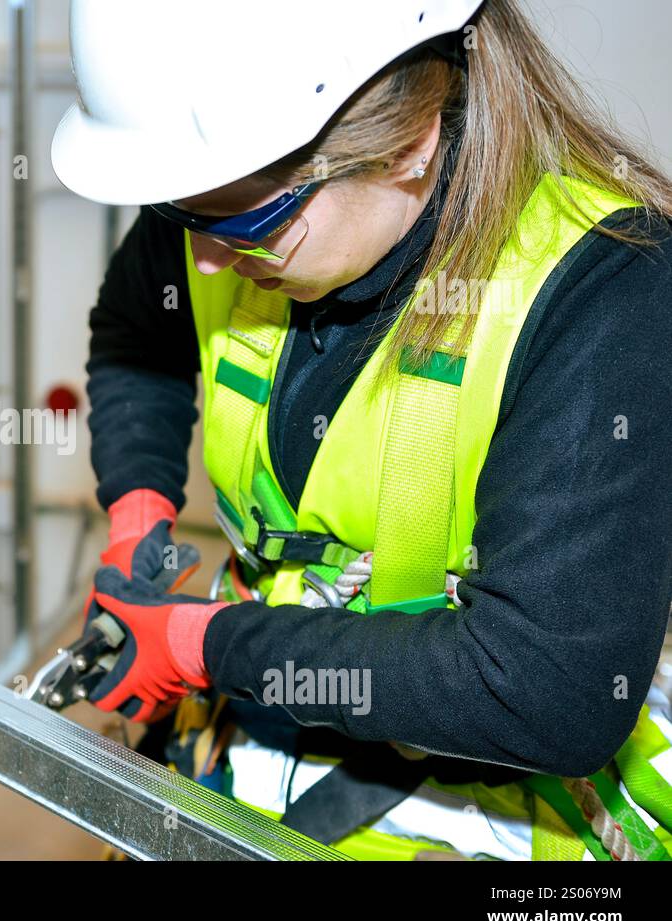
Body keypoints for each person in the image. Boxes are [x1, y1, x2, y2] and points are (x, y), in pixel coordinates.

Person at [51, 0, 672, 860]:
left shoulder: (607, 294)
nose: (201, 260)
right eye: (180, 216)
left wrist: (204, 644)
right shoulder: (228, 189)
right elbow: (137, 325)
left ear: (414, 139)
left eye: (247, 226)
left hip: (499, 779)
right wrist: (138, 519)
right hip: (266, 697)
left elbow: (542, 689)